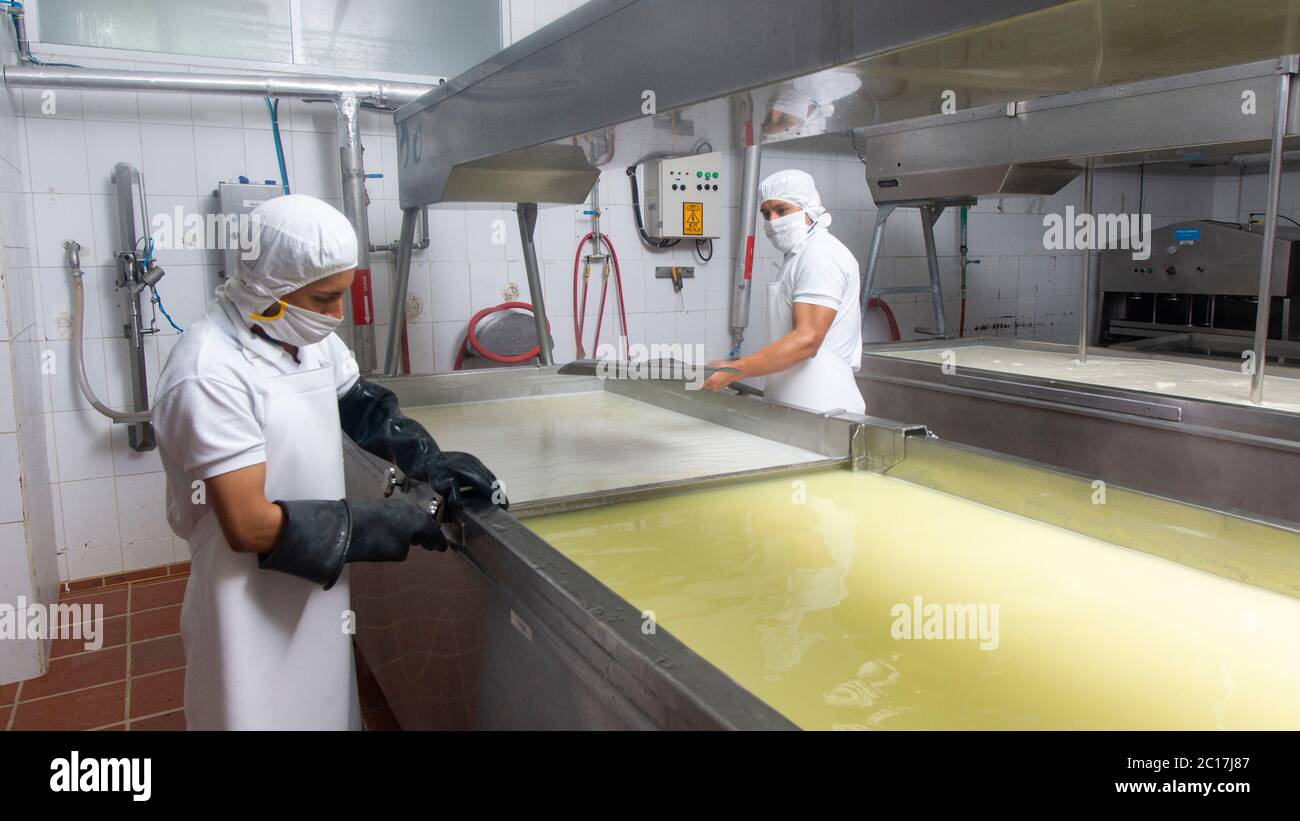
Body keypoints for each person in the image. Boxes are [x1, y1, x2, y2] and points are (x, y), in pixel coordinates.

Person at [152, 194, 504, 730]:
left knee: (323, 703)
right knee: (254, 709)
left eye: (341, 296)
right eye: (322, 299)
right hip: (245, 591)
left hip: (318, 568)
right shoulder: (209, 372)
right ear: (266, 288)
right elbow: (247, 526)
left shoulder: (302, 334)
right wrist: (388, 525)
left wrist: (428, 460)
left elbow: (361, 408)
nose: (335, 316)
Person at [704, 170, 864, 415]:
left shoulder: (820, 256)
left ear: (808, 210)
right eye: (766, 214)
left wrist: (737, 368)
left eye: (782, 210)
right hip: (797, 403)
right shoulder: (798, 256)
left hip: (826, 408)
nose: (773, 221)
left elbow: (807, 340)